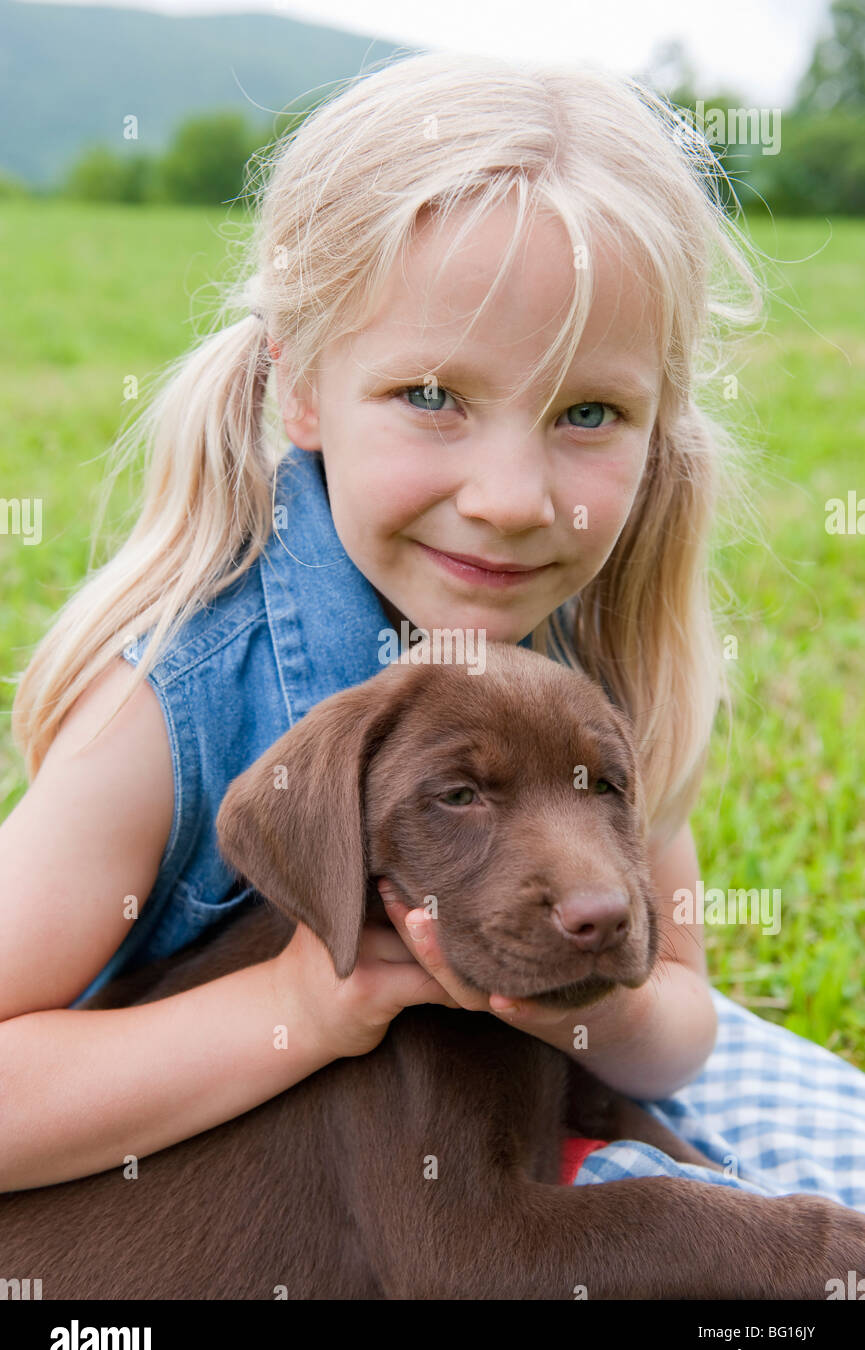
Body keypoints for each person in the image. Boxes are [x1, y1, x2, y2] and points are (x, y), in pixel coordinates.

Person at [2, 51, 863, 1214]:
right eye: (431, 397)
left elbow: (676, 1029)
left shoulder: (581, 667)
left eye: (588, 412)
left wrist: (572, 983)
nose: (511, 495)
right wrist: (302, 1009)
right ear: (298, 383)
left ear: (660, 433)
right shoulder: (170, 705)